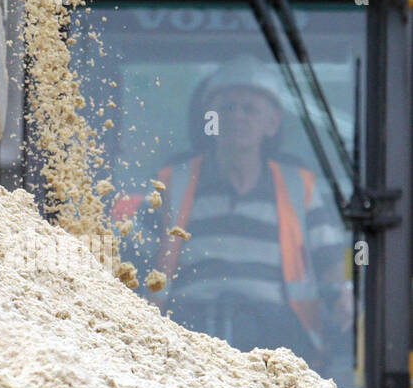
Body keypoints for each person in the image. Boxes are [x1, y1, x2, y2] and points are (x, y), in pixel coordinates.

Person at [113, 57, 351, 367]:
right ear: (207, 118)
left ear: (272, 123)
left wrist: (343, 298)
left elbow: (332, 268)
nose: (238, 116)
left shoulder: (300, 187)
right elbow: (131, 258)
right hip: (183, 341)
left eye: (249, 109)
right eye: (227, 108)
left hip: (278, 345)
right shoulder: (172, 181)